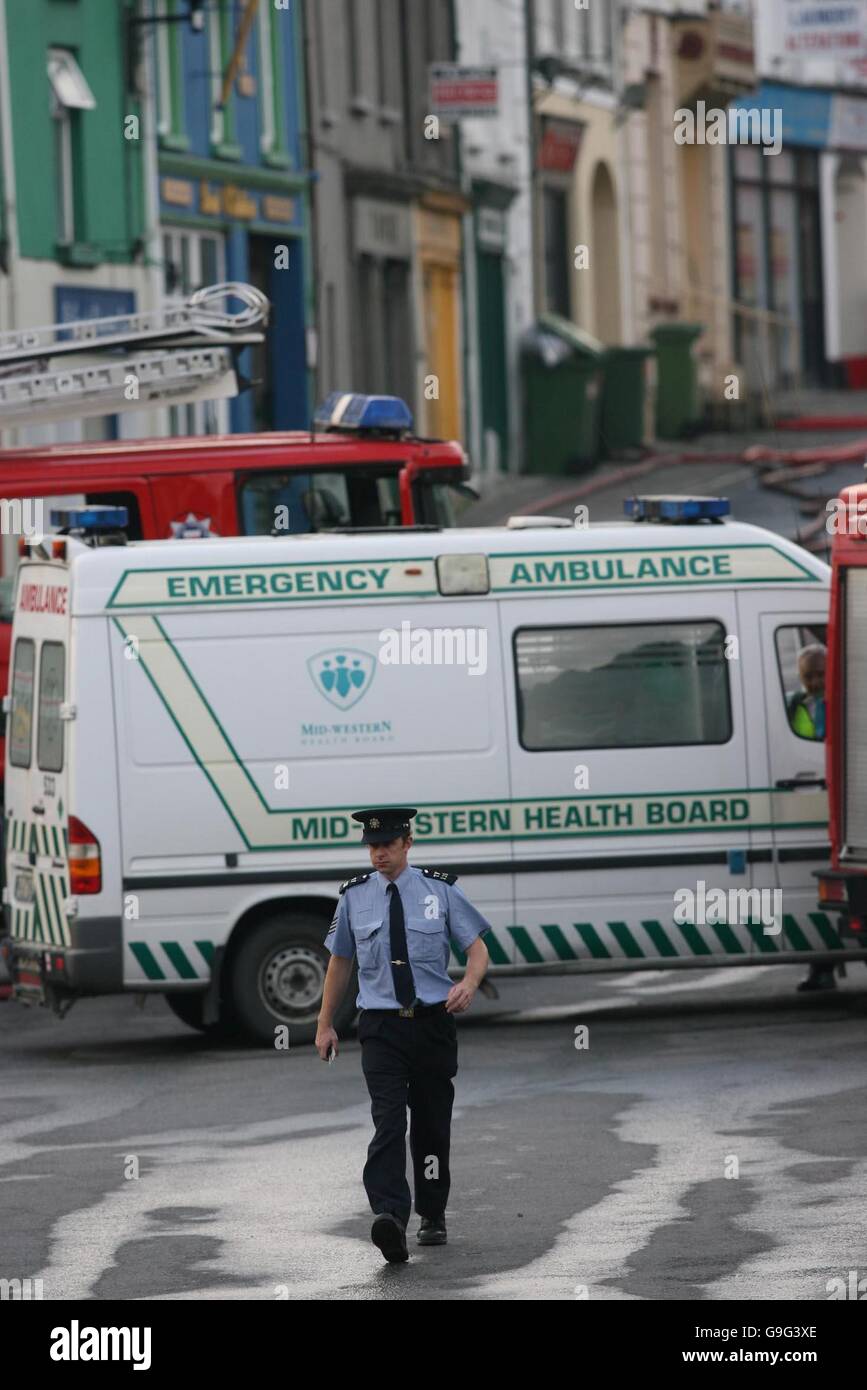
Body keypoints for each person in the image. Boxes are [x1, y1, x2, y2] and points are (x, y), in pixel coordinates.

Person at [315, 807, 491, 1263]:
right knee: (389, 1123)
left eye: (387, 845)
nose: (378, 854)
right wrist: (325, 1023)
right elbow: (340, 962)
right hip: (380, 1028)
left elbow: (477, 949)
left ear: (407, 843)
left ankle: (433, 1213)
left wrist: (469, 985)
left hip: (432, 1023)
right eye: (372, 846)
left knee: (431, 1127)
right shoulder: (354, 898)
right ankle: (390, 1217)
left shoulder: (440, 890)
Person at [786, 643, 835, 992]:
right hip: (810, 799)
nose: (816, 682)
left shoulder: (845, 700)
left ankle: (825, 966)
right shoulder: (793, 705)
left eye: (820, 674)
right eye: (809, 676)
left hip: (836, 800)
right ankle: (822, 966)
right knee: (818, 895)